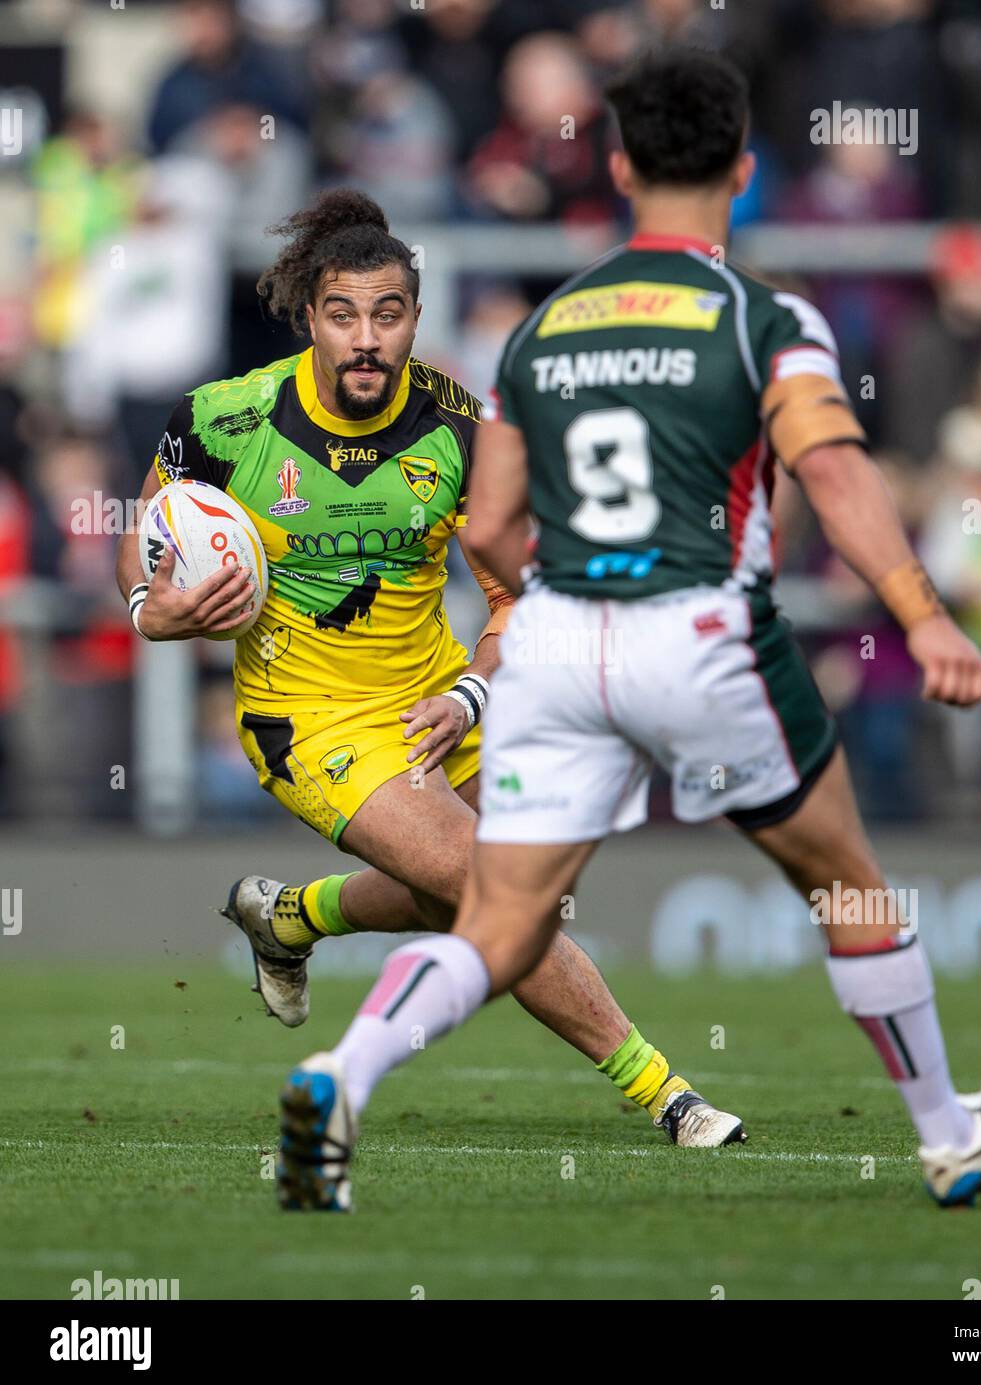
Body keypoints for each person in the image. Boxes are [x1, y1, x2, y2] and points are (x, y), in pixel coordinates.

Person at [282, 51, 981, 1213]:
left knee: (502, 916)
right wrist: (923, 615)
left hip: (560, 646)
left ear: (623, 164)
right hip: (701, 636)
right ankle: (946, 1133)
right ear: (742, 168)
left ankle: (343, 1072)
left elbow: (488, 522)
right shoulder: (762, 315)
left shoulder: (547, 329)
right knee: (849, 887)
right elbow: (833, 471)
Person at [114, 189, 746, 1171]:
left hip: (442, 704)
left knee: (495, 878)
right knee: (499, 885)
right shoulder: (222, 422)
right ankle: (666, 1092)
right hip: (309, 720)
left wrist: (471, 698)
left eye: (388, 314)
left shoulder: (463, 430)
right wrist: (153, 612)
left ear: (415, 313)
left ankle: (290, 915)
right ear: (310, 318)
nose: (366, 339)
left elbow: (514, 598)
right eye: (343, 315)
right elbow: (143, 548)